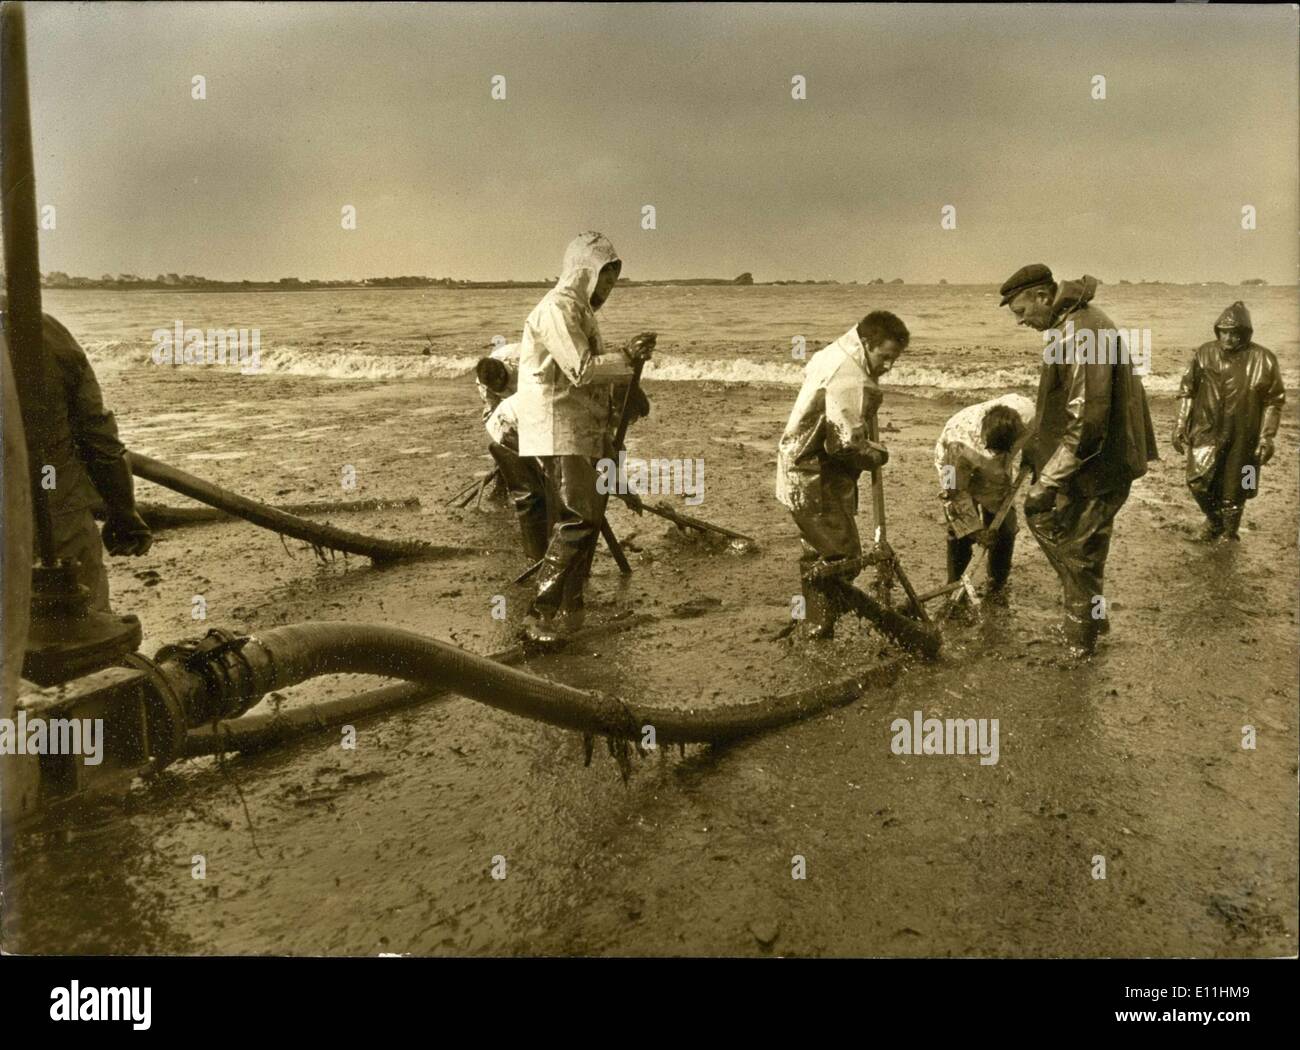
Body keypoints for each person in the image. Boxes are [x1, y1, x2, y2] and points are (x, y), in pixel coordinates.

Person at [998, 264, 1156, 657]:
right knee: (1082, 545)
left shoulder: (1080, 331)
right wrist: (1037, 451)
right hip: (1098, 459)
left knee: (1072, 543)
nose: (1020, 321)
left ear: (1042, 296)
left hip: (1099, 464)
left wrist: (1048, 481)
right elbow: (1064, 406)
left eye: (1021, 311)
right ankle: (1092, 620)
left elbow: (1087, 421)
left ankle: (1078, 645)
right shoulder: (1073, 323)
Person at [515, 232, 655, 644]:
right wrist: (627, 357)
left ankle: (572, 609)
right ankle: (537, 613)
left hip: (580, 429)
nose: (607, 290)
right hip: (560, 428)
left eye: (612, 282)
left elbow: (594, 380)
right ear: (584, 273)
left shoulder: (579, 312)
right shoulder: (557, 310)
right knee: (579, 519)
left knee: (583, 522)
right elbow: (581, 370)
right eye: (604, 280)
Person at [0, 301, 152, 611]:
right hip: (53, 513)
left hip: (45, 504)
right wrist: (122, 511)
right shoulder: (45, 333)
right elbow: (98, 439)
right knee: (81, 630)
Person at [775, 310, 909, 639]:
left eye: (895, 360)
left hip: (802, 465)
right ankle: (818, 627)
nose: (889, 367)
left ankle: (811, 617)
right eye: (886, 357)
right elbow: (844, 445)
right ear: (866, 343)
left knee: (817, 551)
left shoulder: (834, 352)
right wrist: (878, 455)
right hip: (812, 475)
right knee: (843, 555)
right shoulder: (849, 375)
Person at [1172, 301, 1285, 541]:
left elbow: (1274, 401)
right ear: (1217, 331)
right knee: (1197, 481)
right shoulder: (1204, 353)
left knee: (1242, 485)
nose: (1229, 338)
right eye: (1224, 331)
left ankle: (1230, 533)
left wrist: (1267, 437)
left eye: (1235, 333)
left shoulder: (1264, 359)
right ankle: (1215, 522)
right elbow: (1187, 391)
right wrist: (1181, 423)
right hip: (1206, 429)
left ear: (1245, 333)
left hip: (1246, 435)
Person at [934, 393, 1035, 599]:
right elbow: (952, 494)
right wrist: (974, 531)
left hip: (995, 468)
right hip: (959, 463)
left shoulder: (1028, 413)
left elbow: (1041, 432)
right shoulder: (955, 447)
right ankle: (955, 587)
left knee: (1004, 527)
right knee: (959, 532)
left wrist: (1032, 454)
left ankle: (997, 584)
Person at [475, 341, 520, 422]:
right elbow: (491, 410)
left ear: (502, 374)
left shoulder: (521, 359)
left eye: (495, 385)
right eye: (491, 387)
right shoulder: (484, 383)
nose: (492, 389)